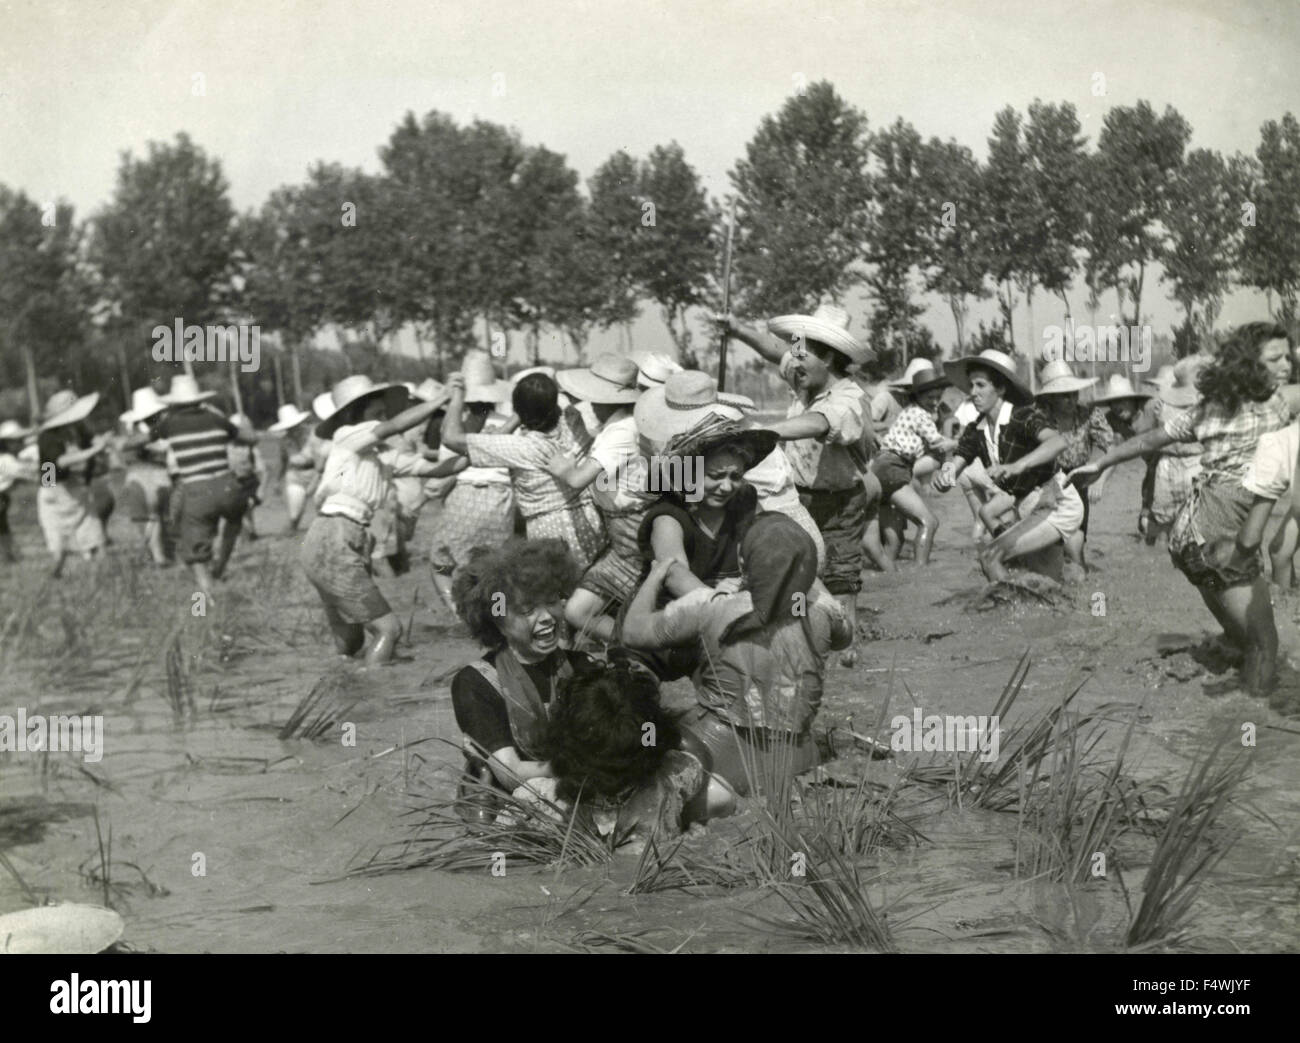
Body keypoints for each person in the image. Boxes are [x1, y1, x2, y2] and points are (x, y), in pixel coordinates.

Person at [1069, 322, 1298, 698]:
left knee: (1241, 642)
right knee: (1265, 644)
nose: (1286, 364)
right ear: (1248, 365)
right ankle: (1249, 731)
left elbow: (1151, 438)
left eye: (1288, 356)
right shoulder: (1277, 402)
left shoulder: (1210, 409)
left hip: (1188, 540)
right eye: (1275, 358)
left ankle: (1184, 671)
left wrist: (1103, 463)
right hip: (1221, 536)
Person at [623, 512, 851, 798]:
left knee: (647, 732)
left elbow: (632, 632)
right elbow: (845, 638)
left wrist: (656, 575)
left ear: (743, 562)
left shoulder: (712, 606)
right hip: (799, 757)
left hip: (718, 759)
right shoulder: (824, 613)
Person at [716, 304, 875, 662]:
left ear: (831, 359)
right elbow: (775, 351)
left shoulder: (850, 397)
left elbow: (820, 423)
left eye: (801, 357)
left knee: (841, 580)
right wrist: (738, 329)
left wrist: (763, 432)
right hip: (797, 499)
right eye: (794, 356)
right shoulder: (806, 375)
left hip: (840, 502)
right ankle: (806, 640)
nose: (792, 363)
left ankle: (847, 648)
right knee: (800, 574)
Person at [300, 375, 450, 665]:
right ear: (354, 415)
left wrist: (480, 453)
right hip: (335, 539)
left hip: (330, 542)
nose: (381, 420)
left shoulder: (381, 457)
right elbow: (394, 426)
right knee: (389, 630)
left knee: (350, 640)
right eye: (376, 415)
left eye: (383, 414)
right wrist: (440, 401)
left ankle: (345, 690)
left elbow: (436, 469)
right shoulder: (346, 435)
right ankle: (377, 694)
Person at [450, 538, 591, 799]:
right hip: (516, 796)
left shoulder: (583, 666)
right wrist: (584, 766)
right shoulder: (474, 683)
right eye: (527, 611)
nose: (548, 617)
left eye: (551, 601)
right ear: (498, 622)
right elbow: (509, 773)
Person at [524, 658, 727, 838]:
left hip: (583, 860)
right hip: (654, 852)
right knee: (719, 791)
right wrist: (693, 826)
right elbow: (698, 756)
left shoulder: (543, 800)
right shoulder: (673, 775)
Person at [442, 368, 606, 573]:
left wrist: (457, 397)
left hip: (550, 536)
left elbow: (450, 437)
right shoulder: (574, 422)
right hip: (591, 524)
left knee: (556, 596)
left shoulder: (520, 448)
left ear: (519, 411)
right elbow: (560, 400)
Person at [933, 349, 1077, 582]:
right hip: (1029, 508)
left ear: (1000, 389)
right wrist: (944, 475)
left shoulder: (1022, 416)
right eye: (971, 386)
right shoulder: (976, 429)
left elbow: (1058, 442)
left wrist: (1017, 466)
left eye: (980, 385)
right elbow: (956, 462)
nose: (973, 393)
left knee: (990, 557)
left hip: (1057, 502)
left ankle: (1004, 611)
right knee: (1048, 580)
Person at [543, 353, 652, 642]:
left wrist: (562, 468)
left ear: (602, 399)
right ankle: (634, 643)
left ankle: (643, 645)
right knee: (581, 610)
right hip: (623, 532)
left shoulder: (620, 433)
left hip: (632, 533)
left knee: (579, 611)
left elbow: (578, 479)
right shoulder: (623, 425)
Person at [151, 375, 256, 592]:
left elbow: (136, 442)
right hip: (228, 485)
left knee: (195, 549)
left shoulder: (169, 422)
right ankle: (220, 566)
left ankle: (206, 592)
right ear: (199, 399)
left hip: (197, 489)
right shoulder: (215, 418)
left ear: (174, 404)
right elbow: (251, 438)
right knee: (234, 520)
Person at [429, 359, 516, 612]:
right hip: (500, 499)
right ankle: (497, 615)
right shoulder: (509, 422)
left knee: (442, 564)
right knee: (495, 569)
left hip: (465, 496)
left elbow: (446, 467)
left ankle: (459, 614)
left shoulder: (454, 424)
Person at [865, 362, 957, 569]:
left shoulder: (911, 411)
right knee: (929, 522)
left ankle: (889, 579)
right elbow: (939, 444)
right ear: (917, 396)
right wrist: (962, 442)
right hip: (892, 469)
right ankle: (920, 575)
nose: (934, 402)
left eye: (937, 397)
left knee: (894, 541)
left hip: (881, 469)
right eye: (929, 397)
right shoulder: (919, 414)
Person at [1032, 359, 1110, 578]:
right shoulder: (1039, 419)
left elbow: (1105, 445)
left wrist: (1095, 471)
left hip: (1078, 480)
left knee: (1076, 542)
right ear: (1050, 398)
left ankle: (1088, 597)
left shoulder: (1089, 414)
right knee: (1050, 547)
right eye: (1064, 395)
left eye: (1074, 393)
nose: (1071, 399)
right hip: (1046, 483)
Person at [35, 389, 111, 577]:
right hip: (53, 487)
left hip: (74, 486)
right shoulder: (47, 436)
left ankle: (101, 576)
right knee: (59, 543)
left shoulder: (79, 429)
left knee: (93, 534)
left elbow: (93, 442)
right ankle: (55, 573)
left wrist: (102, 443)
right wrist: (93, 451)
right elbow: (60, 462)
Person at [1145, 356, 1206, 548]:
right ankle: (1164, 559)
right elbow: (1149, 438)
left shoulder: (1201, 404)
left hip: (1195, 461)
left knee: (1195, 518)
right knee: (1164, 517)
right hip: (1168, 462)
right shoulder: (1158, 406)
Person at [1092, 374, 1156, 535]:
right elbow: (1115, 451)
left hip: (1175, 465)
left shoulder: (1151, 409)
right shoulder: (1113, 419)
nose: (1116, 406)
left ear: (1134, 400)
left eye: (1122, 400)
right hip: (1152, 470)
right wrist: (1101, 480)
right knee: (1147, 525)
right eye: (1113, 402)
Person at [118, 387, 174, 566]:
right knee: (159, 517)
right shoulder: (160, 431)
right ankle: (161, 555)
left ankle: (158, 555)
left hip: (140, 475)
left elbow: (125, 454)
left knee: (149, 518)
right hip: (159, 474)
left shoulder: (135, 431)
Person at [269, 403, 318, 533]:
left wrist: (316, 479)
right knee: (295, 508)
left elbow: (321, 458)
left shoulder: (313, 435)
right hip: (295, 474)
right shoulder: (284, 441)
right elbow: (283, 461)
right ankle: (293, 527)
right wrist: (277, 482)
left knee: (323, 504)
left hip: (315, 472)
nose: (292, 429)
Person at [0, 420, 36, 564]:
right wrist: (49, 464)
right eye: (16, 441)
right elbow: (29, 474)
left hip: (3, 496)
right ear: (6, 443)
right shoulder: (6, 459)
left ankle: (8, 556)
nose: (20, 443)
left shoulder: (9, 458)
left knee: (2, 527)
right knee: (2, 528)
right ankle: (8, 556)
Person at [227, 413, 266, 540]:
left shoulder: (250, 448)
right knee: (242, 511)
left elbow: (263, 470)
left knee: (246, 509)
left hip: (249, 483)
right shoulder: (226, 448)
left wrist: (261, 489)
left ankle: (250, 533)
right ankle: (249, 533)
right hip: (233, 483)